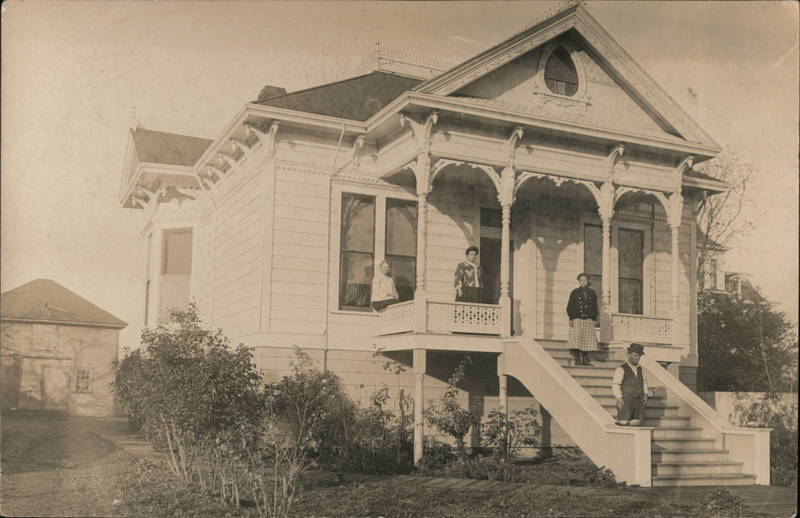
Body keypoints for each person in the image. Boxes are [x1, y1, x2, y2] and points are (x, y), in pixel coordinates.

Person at [612, 343, 649, 426]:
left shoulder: (642, 369)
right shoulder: (621, 368)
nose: (637, 358)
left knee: (637, 423)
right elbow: (615, 384)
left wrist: (646, 393)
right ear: (629, 355)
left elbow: (644, 381)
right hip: (626, 400)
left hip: (639, 401)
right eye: (635, 355)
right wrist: (619, 398)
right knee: (624, 423)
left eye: (639, 356)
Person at [566, 272, 599, 366]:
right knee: (577, 338)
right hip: (577, 319)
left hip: (588, 319)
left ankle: (585, 358)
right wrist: (571, 318)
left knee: (586, 340)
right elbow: (570, 306)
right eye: (581, 280)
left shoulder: (592, 293)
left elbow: (595, 307)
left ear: (588, 281)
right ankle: (577, 358)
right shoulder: (574, 292)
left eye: (585, 280)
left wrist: (594, 318)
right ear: (579, 281)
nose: (583, 282)